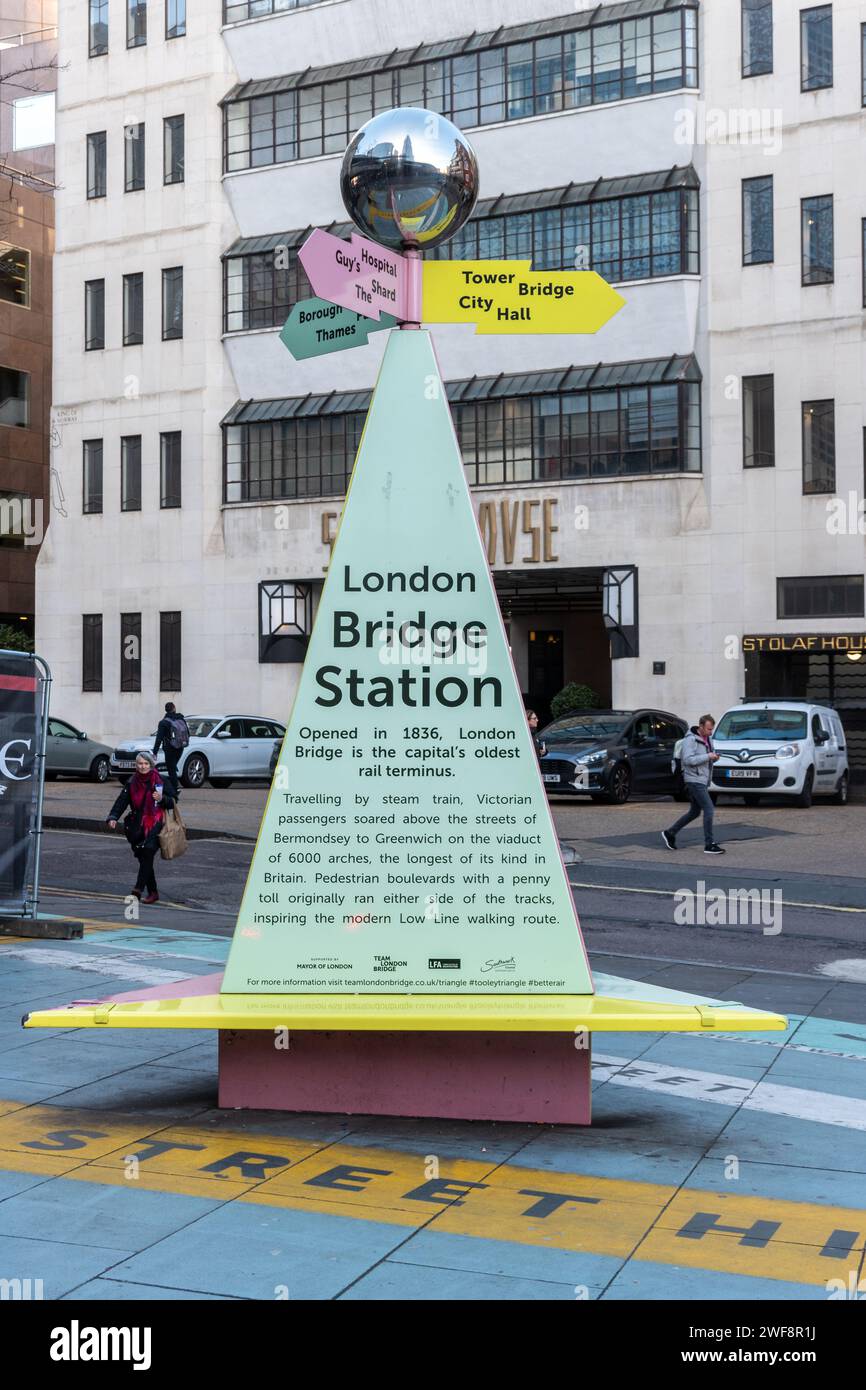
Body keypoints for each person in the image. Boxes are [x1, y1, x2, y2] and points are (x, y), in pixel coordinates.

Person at [107, 751, 175, 903]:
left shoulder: (161, 780)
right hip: (137, 825)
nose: (143, 767)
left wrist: (162, 798)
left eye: (146, 764)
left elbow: (173, 801)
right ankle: (153, 892)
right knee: (144, 858)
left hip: (157, 822)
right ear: (136, 765)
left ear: (151, 765)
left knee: (148, 851)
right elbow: (122, 801)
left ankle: (137, 889)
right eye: (140, 764)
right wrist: (113, 817)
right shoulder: (132, 782)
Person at [662, 714, 725, 855]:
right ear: (701, 726)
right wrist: (708, 756)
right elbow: (688, 760)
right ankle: (709, 844)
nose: (711, 732)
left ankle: (670, 833)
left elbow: (706, 759)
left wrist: (714, 758)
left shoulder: (707, 739)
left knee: (695, 811)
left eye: (712, 729)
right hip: (693, 780)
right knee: (709, 809)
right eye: (709, 729)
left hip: (702, 779)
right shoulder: (690, 740)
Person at [153, 701, 188, 798]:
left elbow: (159, 738)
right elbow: (187, 733)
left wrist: (155, 751)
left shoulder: (163, 722)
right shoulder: (181, 719)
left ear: (165, 710)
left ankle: (175, 789)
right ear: (174, 708)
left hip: (169, 748)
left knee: (171, 769)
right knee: (172, 767)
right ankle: (173, 787)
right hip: (180, 747)